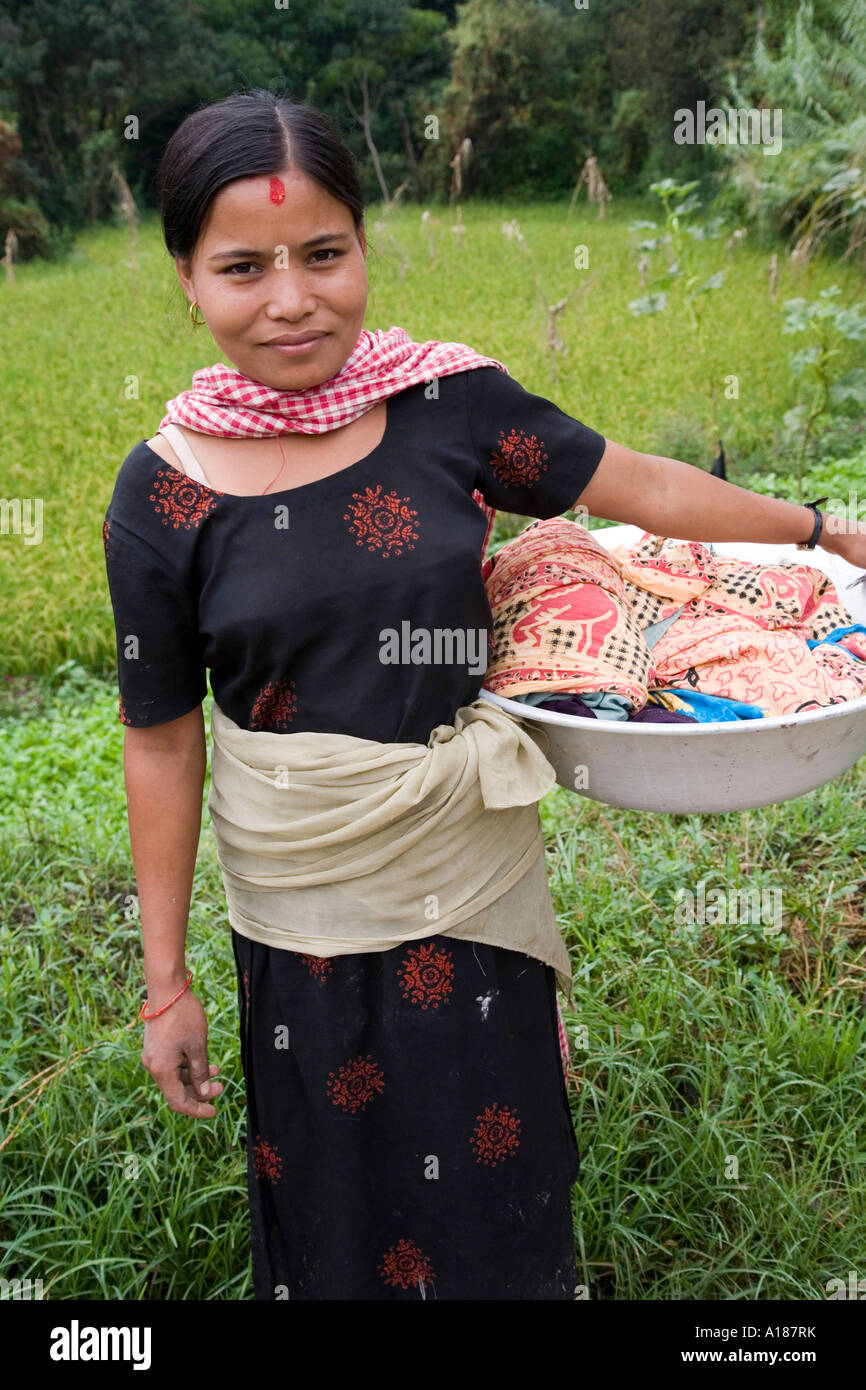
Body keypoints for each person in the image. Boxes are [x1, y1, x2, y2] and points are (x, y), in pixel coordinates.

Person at [103, 88, 866, 1302]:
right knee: (334, 1198)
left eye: (324, 253)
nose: (292, 298)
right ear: (186, 279)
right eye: (243, 266)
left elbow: (644, 492)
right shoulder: (164, 497)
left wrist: (826, 529)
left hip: (468, 881)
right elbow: (161, 740)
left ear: (363, 246)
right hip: (300, 921)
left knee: (494, 1186)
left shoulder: (448, 406)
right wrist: (165, 984)